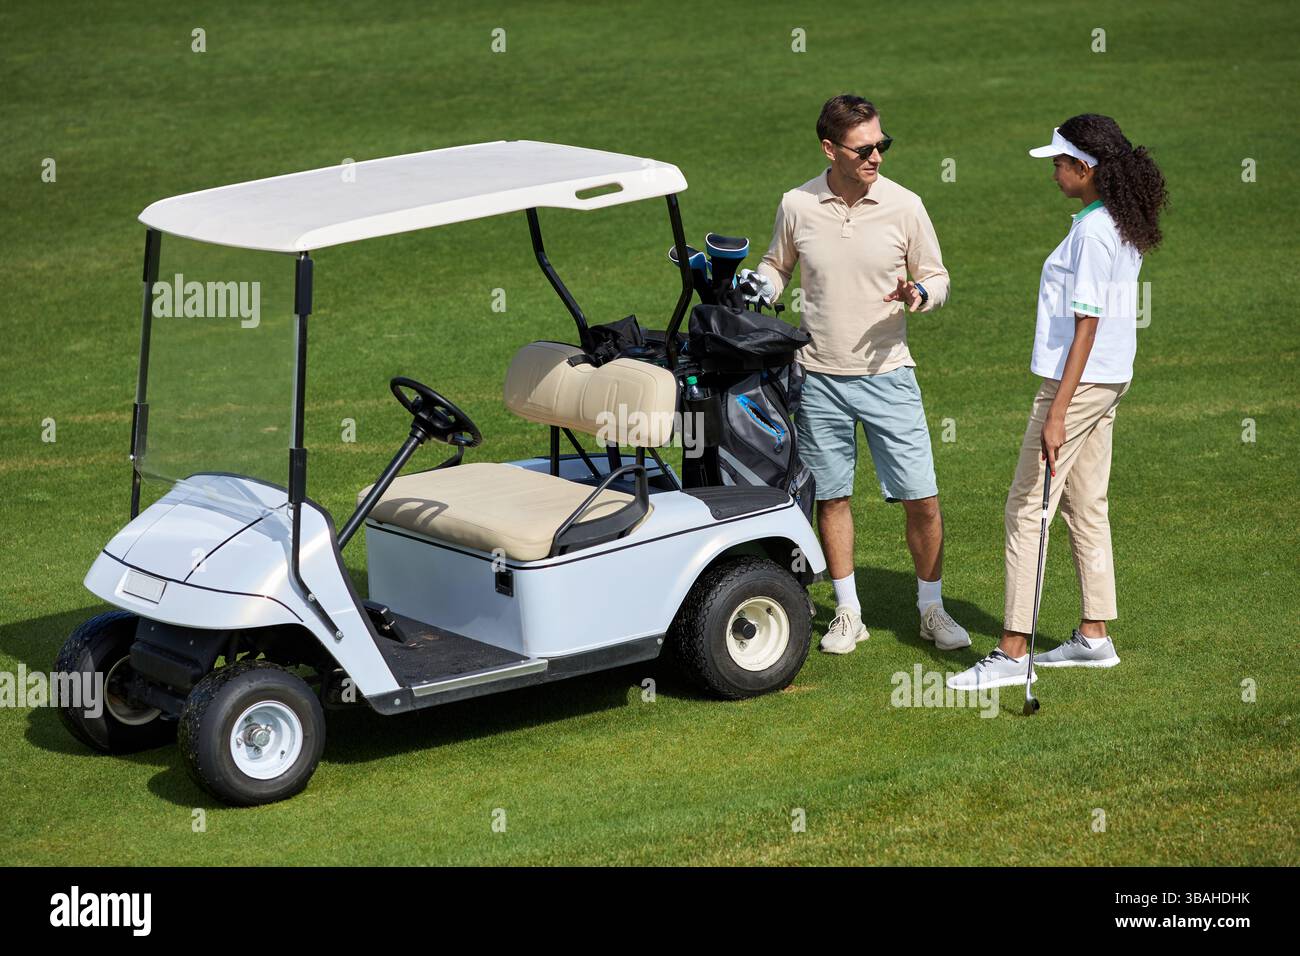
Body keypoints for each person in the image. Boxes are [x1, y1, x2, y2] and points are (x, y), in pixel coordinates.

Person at [948, 114, 1168, 691]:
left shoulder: (1095, 232)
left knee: (1026, 509)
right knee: (1085, 504)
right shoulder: (1116, 218)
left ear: (1086, 168)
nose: (1053, 171)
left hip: (1079, 384)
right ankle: (1094, 636)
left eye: (1060, 162)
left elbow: (1086, 323)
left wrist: (1056, 409)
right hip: (1109, 379)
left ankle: (1012, 649)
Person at [754, 93, 970, 655]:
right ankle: (848, 612)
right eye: (864, 148)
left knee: (921, 498)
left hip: (889, 375)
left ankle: (931, 609)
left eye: (882, 144)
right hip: (818, 376)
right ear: (831, 149)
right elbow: (777, 264)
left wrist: (919, 292)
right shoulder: (796, 204)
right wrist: (763, 286)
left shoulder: (905, 205)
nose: (877, 156)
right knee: (832, 497)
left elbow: (939, 276)